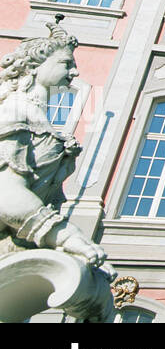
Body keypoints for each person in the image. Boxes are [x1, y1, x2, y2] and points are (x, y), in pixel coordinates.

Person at [0, 18, 106, 266]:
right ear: (36, 66)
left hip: (21, 236)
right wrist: (67, 236)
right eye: (66, 63)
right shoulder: (13, 110)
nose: (74, 72)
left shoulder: (36, 115)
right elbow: (5, 193)